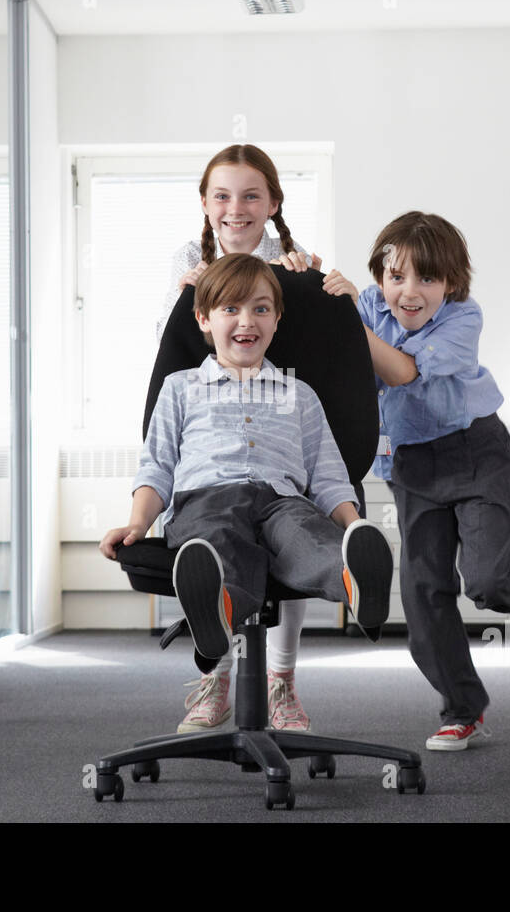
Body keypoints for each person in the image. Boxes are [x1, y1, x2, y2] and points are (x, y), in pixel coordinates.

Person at [102, 254, 393, 720]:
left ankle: (353, 578)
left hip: (282, 501)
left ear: (277, 320)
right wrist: (137, 523)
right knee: (216, 541)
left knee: (307, 535)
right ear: (203, 319)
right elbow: (157, 466)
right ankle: (220, 605)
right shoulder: (180, 388)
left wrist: (355, 526)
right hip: (206, 499)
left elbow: (328, 475)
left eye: (260, 309)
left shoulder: (299, 394)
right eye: (231, 309)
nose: (246, 321)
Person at [319, 211, 510, 752]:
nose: (409, 292)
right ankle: (463, 709)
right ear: (379, 276)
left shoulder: (463, 318)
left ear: (451, 284)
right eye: (396, 276)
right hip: (413, 465)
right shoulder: (363, 306)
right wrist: (316, 279)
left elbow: (403, 371)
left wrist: (349, 322)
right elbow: (319, 320)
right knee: (423, 592)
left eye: (427, 279)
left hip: (476, 453)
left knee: (483, 579)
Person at [154, 144, 328, 735]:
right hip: (212, 435)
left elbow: (332, 352)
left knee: (294, 528)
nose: (237, 209)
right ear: (205, 204)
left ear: (274, 203)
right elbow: (170, 351)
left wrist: (338, 294)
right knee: (218, 533)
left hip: (281, 423)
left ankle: (281, 683)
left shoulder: (295, 265)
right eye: (222, 196)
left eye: (252, 195)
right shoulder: (188, 263)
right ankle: (216, 675)